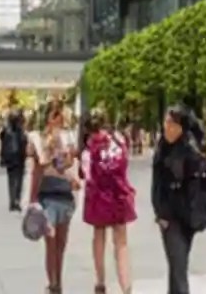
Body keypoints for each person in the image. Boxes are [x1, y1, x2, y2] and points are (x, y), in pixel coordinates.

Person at [153, 105, 206, 294]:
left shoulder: (190, 150)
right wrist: (160, 213)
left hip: (187, 215)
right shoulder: (163, 147)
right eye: (165, 122)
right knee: (178, 266)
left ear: (181, 127)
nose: (166, 127)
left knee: (178, 266)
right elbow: (157, 183)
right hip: (169, 217)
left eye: (171, 123)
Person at [81, 110, 136, 294]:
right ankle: (126, 285)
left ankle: (100, 281)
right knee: (121, 242)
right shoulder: (119, 140)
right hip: (119, 195)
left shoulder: (89, 148)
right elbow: (125, 163)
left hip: (99, 197)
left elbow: (87, 175)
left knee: (99, 236)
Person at [30, 100, 79, 294]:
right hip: (47, 196)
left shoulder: (68, 139)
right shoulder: (39, 139)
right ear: (47, 118)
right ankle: (53, 284)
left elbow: (67, 164)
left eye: (60, 116)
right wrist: (32, 199)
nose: (58, 120)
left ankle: (58, 281)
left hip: (65, 196)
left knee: (61, 244)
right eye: (54, 115)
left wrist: (65, 152)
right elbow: (38, 168)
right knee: (51, 243)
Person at [0, 110, 28, 211]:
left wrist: (3, 158)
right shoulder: (21, 131)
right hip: (19, 158)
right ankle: (16, 200)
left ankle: (13, 201)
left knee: (12, 180)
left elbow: (3, 144)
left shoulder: (6, 131)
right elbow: (24, 143)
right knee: (19, 180)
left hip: (10, 158)